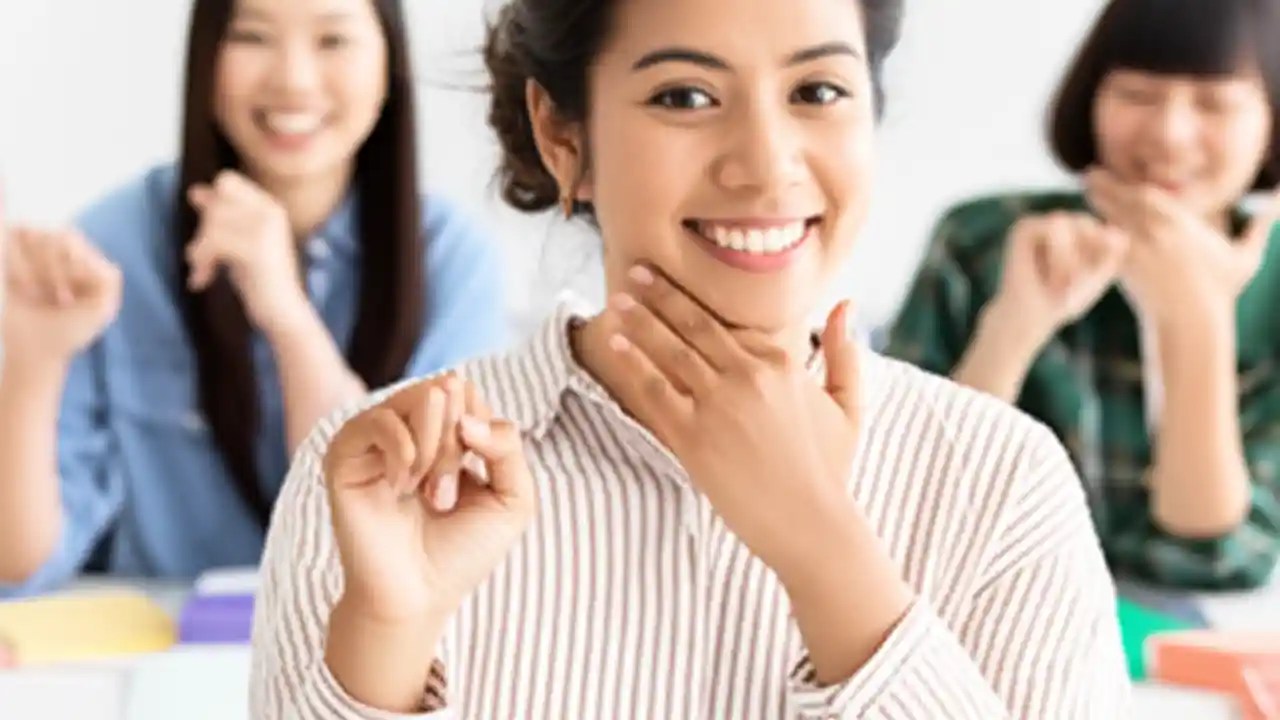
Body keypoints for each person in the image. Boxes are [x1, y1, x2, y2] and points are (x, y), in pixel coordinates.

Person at [250, 0, 1131, 717]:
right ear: (564, 138)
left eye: (818, 91)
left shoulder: (1002, 483)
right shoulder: (387, 480)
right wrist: (388, 636)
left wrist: (823, 550)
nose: (765, 164)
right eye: (685, 96)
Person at [0, 0, 507, 595]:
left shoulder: (452, 260)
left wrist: (285, 313)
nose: (292, 79)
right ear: (207, 56)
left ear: (387, 64)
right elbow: (19, 563)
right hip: (160, 662)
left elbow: (411, 535)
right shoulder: (112, 250)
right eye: (252, 36)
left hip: (364, 663)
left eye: (333, 40)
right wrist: (34, 359)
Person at [886, 0, 1280, 591]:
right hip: (985, 623)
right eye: (1138, 95)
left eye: (1214, 103)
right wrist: (1013, 328)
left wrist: (1196, 323)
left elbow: (1216, 559)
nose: (1169, 134)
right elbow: (900, 509)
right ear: (1090, 97)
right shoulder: (981, 240)